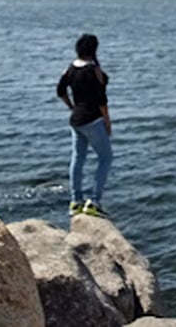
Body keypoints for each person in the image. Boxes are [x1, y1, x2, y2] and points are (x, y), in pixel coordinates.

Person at [56, 33, 113, 217]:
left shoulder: (70, 68)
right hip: (93, 120)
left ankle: (76, 201)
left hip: (76, 120)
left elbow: (60, 90)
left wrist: (72, 106)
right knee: (105, 158)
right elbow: (102, 100)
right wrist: (107, 122)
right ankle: (95, 202)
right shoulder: (93, 71)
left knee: (78, 159)